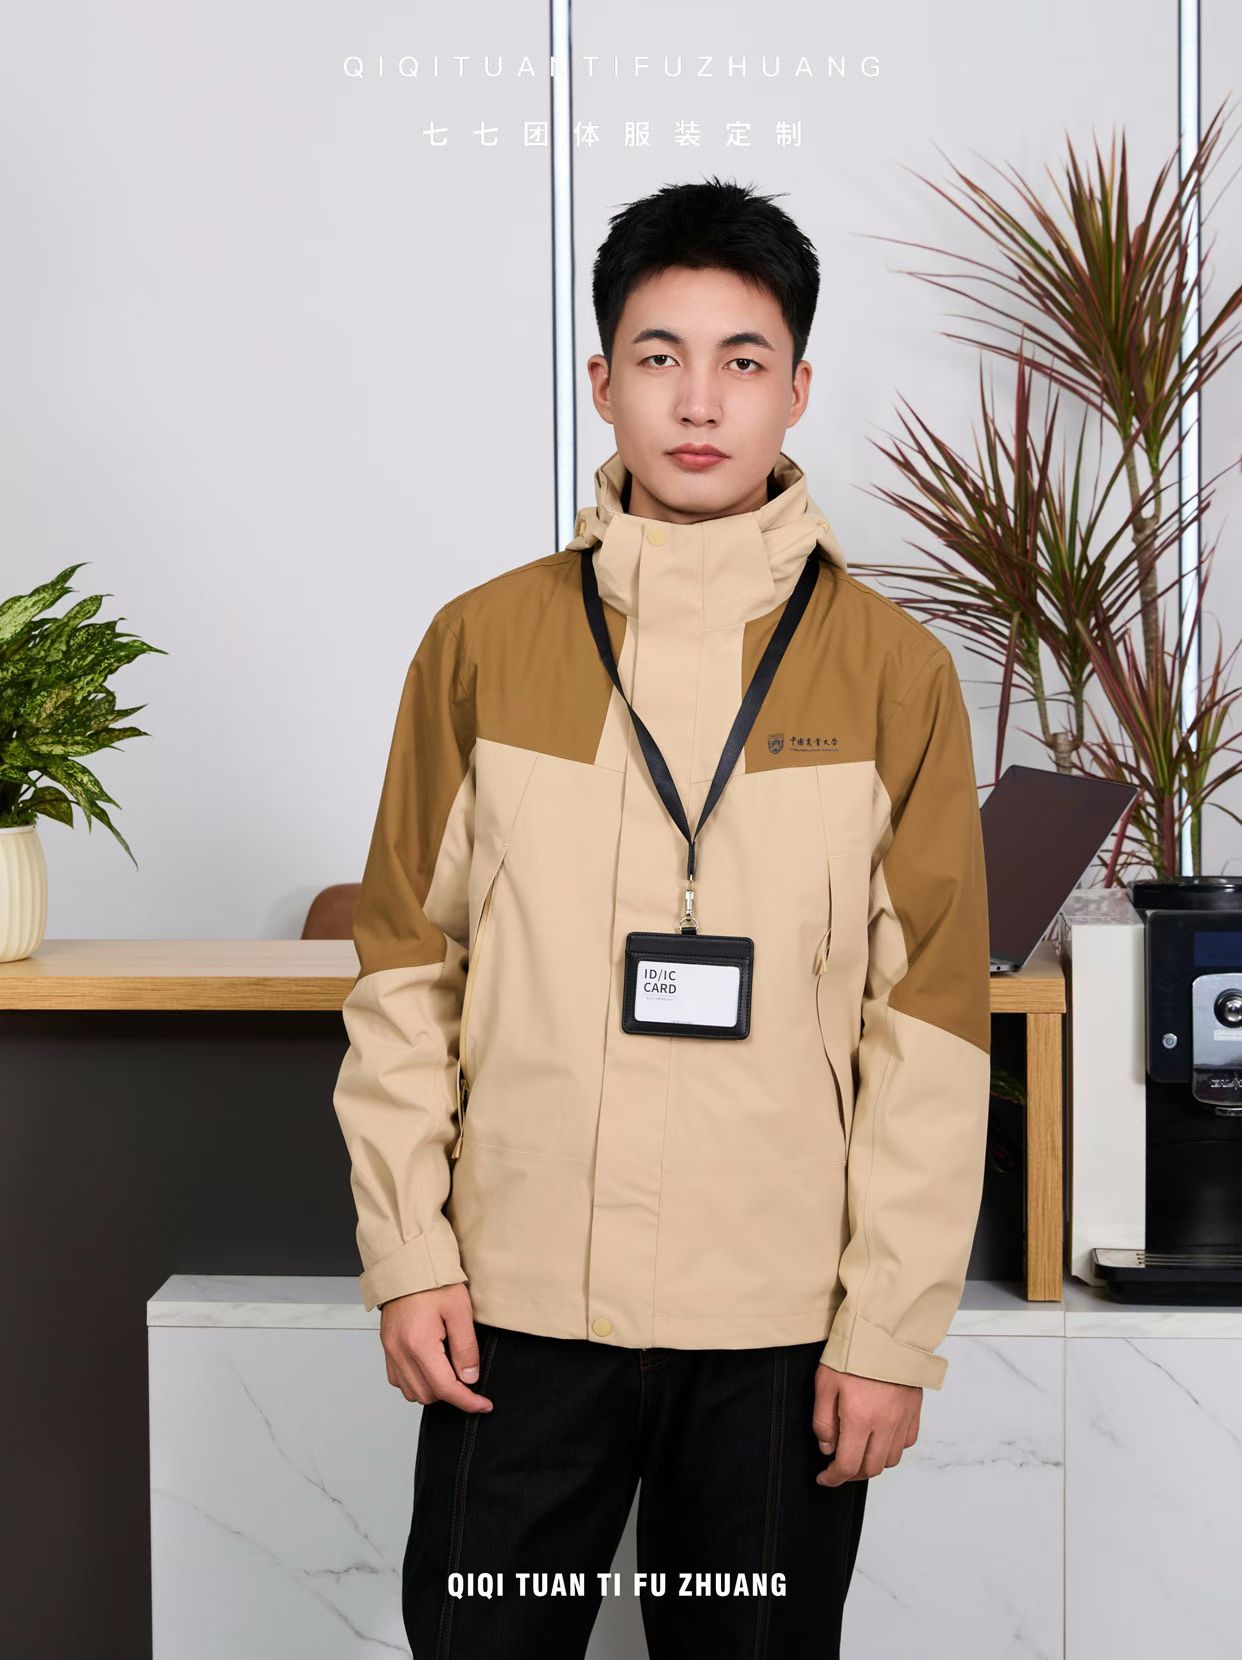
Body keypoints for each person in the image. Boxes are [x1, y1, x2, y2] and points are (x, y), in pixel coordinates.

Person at [332, 175, 992, 1660]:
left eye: (742, 360)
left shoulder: (893, 674)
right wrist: (412, 1253)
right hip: (515, 1316)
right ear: (601, 382)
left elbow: (932, 1028)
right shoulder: (484, 643)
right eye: (659, 356)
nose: (699, 400)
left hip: (778, 1337)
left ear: (797, 390)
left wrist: (890, 1332)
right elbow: (405, 971)